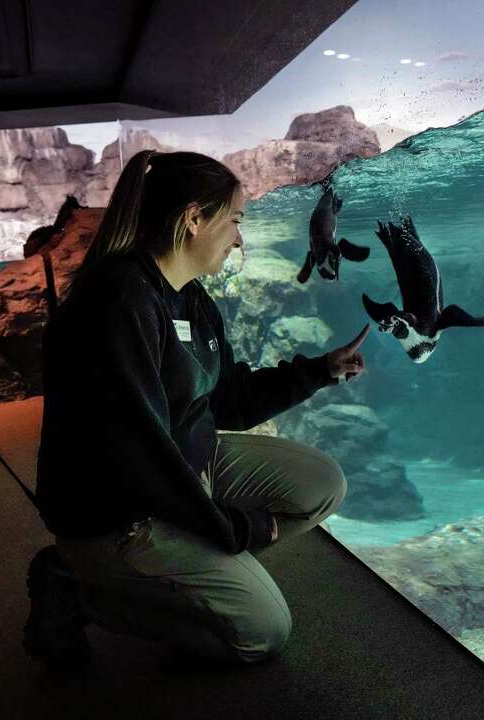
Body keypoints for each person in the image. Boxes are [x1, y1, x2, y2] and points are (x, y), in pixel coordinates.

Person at [24, 149, 369, 668]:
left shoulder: (189, 298)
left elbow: (227, 398)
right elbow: (140, 451)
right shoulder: (120, 299)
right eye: (234, 220)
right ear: (193, 219)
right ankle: (77, 589)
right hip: (121, 514)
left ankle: (193, 571)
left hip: (185, 473)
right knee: (263, 634)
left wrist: (320, 371)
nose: (239, 238)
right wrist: (233, 529)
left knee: (324, 485)